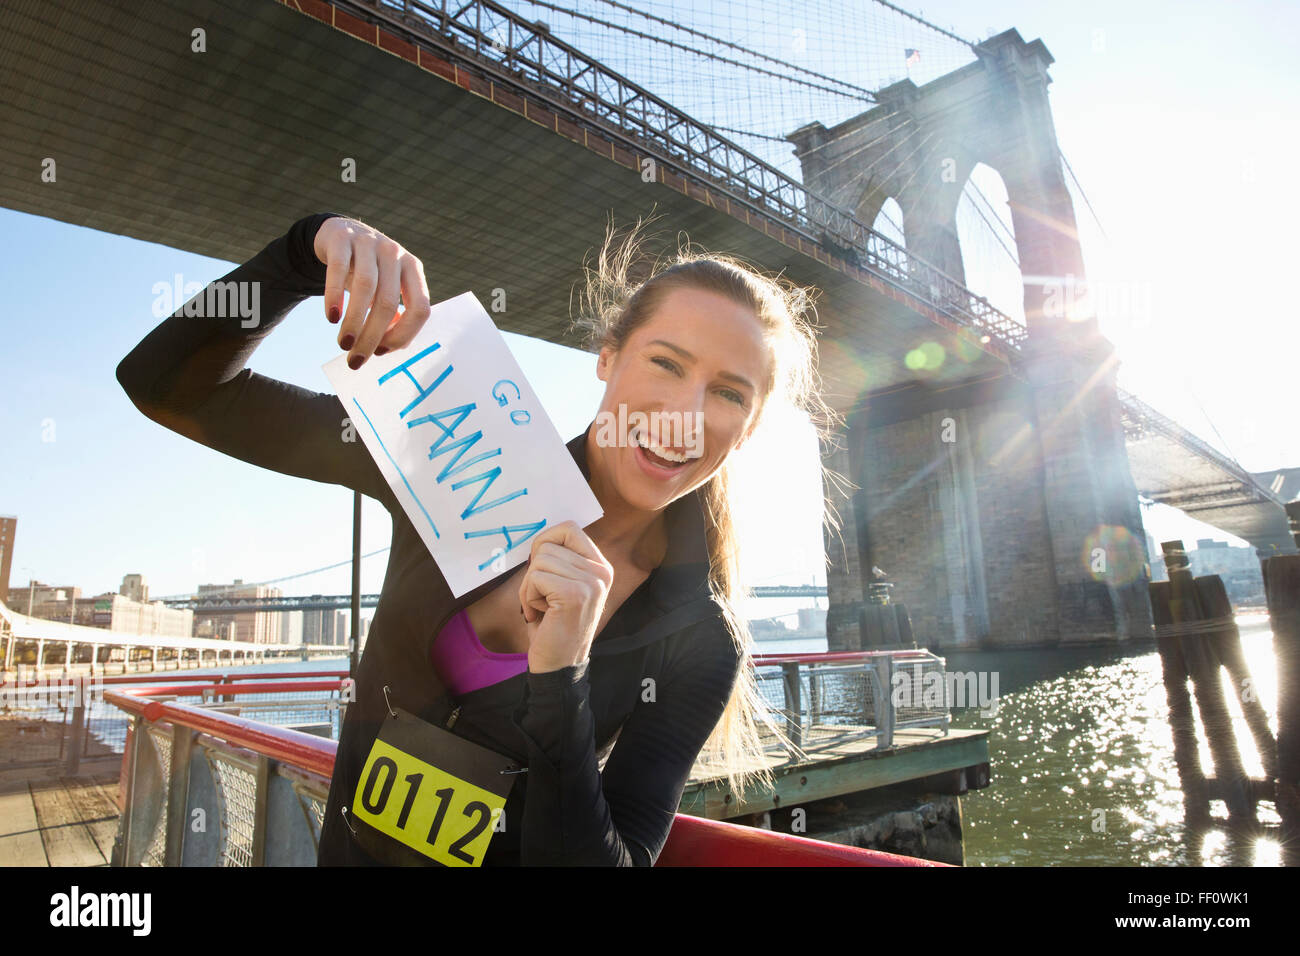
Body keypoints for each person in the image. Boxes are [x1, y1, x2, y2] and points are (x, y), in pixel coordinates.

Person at [116, 211, 843, 866]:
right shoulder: (454, 456)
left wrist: (562, 679)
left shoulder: (698, 639)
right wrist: (306, 252)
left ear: (748, 430)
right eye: (666, 362)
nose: (686, 413)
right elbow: (167, 386)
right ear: (607, 356)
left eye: (727, 394)